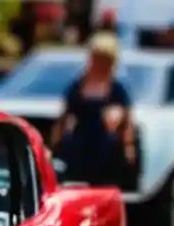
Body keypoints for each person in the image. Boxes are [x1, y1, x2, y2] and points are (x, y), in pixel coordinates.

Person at [51, 33, 136, 189]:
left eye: (105, 59)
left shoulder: (117, 89)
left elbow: (127, 121)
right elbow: (64, 117)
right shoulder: (77, 86)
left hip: (105, 146)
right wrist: (56, 144)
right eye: (97, 58)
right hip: (80, 143)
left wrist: (128, 147)